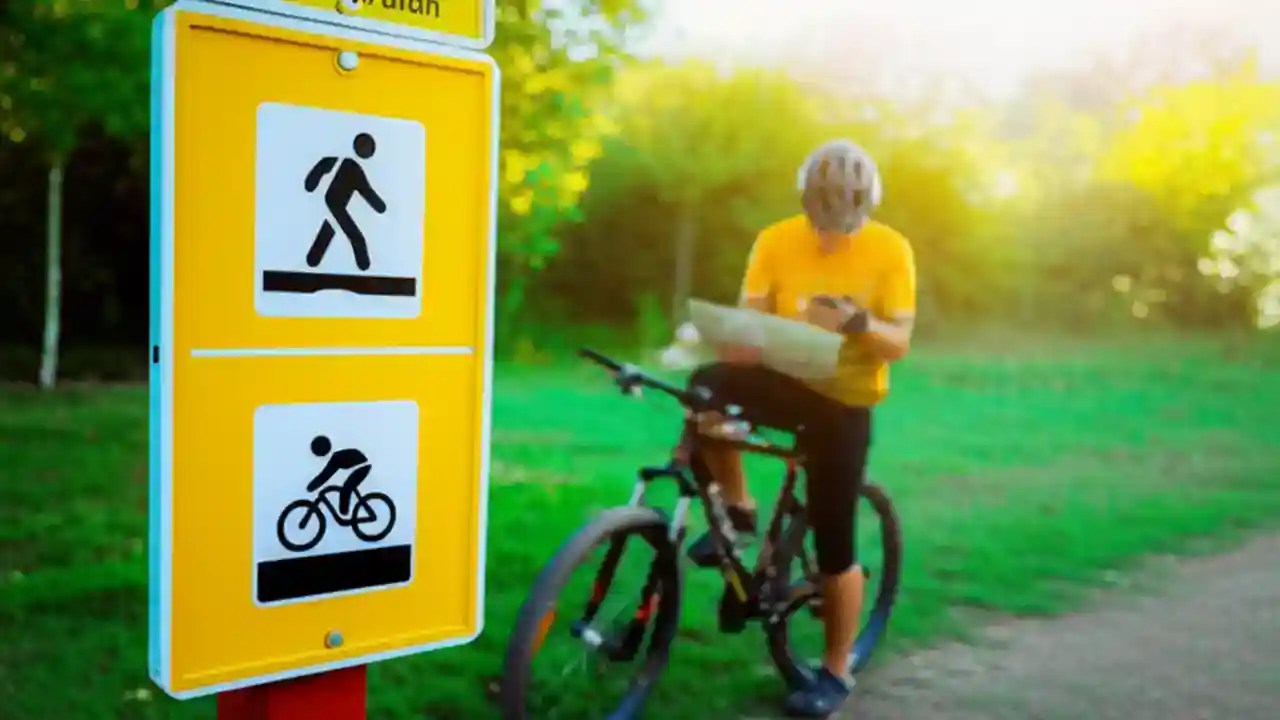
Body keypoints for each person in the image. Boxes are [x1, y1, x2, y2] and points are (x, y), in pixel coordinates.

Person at [684, 139, 916, 718]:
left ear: (864, 206)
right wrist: (735, 338)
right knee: (704, 391)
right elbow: (752, 315)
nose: (830, 233)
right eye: (820, 217)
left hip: (843, 401)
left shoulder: (891, 249)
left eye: (843, 220)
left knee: (834, 538)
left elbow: (901, 343)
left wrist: (858, 323)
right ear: (805, 202)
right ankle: (738, 509)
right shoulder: (776, 238)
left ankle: (836, 671)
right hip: (787, 379)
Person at [305, 435, 372, 517]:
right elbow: (324, 476)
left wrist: (310, 487)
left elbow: (324, 476)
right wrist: (311, 487)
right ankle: (344, 512)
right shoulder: (336, 456)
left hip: (362, 467)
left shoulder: (336, 458)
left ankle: (345, 513)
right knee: (347, 487)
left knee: (346, 489)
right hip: (361, 465)